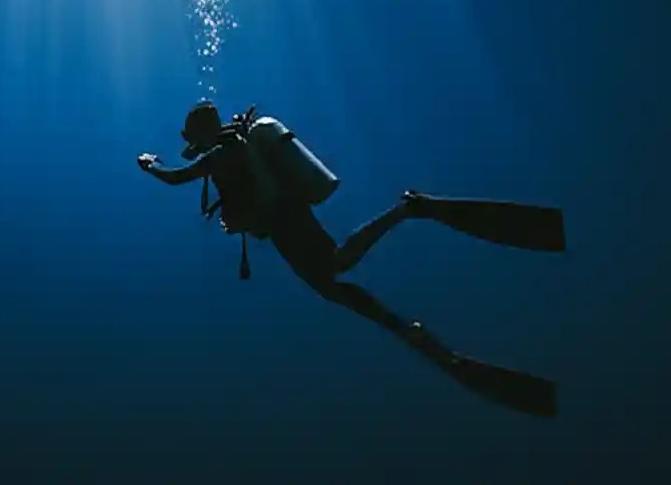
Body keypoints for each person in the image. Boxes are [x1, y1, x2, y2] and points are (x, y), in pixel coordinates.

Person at [137, 101, 564, 418]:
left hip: (285, 221)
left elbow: (177, 177)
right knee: (333, 284)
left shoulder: (223, 153)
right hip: (284, 217)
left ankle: (408, 213)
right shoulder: (230, 148)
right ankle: (399, 323)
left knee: (336, 269)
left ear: (202, 132)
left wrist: (151, 165)